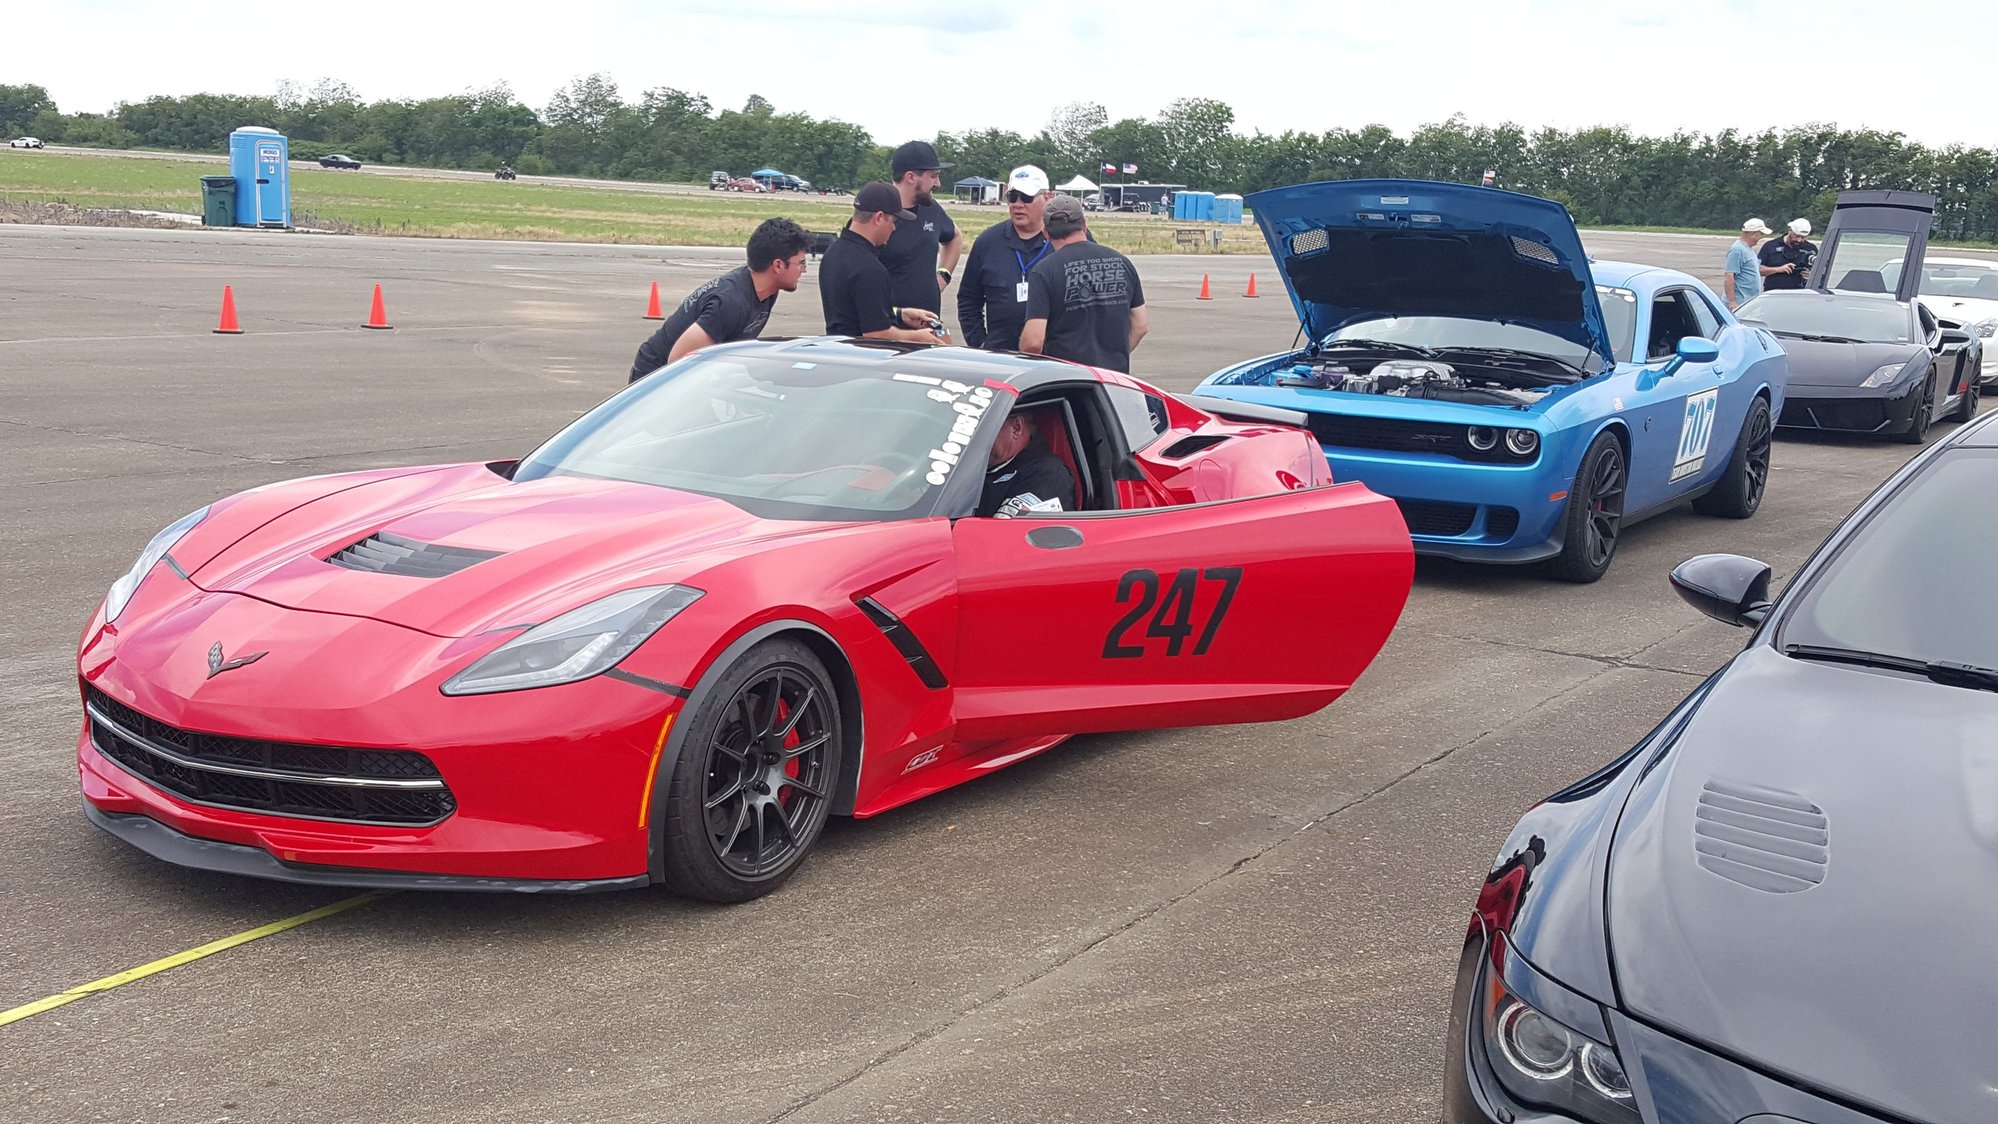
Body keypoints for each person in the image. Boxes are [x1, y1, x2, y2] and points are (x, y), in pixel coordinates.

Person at [628, 217, 811, 382]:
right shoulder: (729, 304)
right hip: (656, 376)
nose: (804, 270)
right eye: (801, 263)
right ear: (778, 265)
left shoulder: (767, 290)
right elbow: (677, 362)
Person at [1019, 195, 1149, 372]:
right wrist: (1115, 356)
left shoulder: (1044, 271)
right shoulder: (1122, 262)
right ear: (1084, 225)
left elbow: (1033, 342)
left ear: (1046, 233)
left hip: (1067, 380)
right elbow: (1140, 326)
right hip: (1113, 381)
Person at [818, 182, 955, 344]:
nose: (894, 228)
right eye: (893, 221)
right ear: (879, 218)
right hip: (861, 357)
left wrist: (901, 314)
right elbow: (877, 334)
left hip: (837, 349)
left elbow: (858, 311)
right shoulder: (869, 268)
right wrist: (919, 337)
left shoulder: (834, 252)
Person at [958, 165, 1059, 352]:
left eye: (1027, 198)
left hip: (1057, 359)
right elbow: (968, 299)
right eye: (1012, 197)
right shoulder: (987, 242)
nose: (1018, 204)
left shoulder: (1065, 239)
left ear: (1048, 198)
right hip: (1001, 357)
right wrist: (980, 343)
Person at [880, 140, 964, 318]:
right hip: (888, 331)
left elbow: (955, 237)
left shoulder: (931, 208)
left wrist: (944, 275)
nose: (938, 183)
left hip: (927, 328)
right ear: (911, 177)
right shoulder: (877, 216)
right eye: (933, 176)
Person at [978, 412, 1075, 517]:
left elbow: (1007, 529)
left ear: (1017, 427)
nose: (975, 442)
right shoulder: (972, 465)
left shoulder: (1048, 474)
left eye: (983, 431)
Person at [1723, 217, 1774, 311]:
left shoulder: (1748, 249)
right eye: (1760, 234)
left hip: (1748, 303)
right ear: (1753, 234)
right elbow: (1729, 276)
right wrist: (1732, 301)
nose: (1761, 237)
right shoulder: (1737, 250)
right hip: (1739, 303)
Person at [1759, 218, 1817, 292]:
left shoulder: (1810, 248)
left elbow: (1822, 271)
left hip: (1801, 294)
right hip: (1774, 293)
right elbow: (1758, 270)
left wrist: (1812, 275)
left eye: (1803, 237)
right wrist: (1778, 269)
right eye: (1796, 236)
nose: (1799, 240)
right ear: (1790, 231)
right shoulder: (1770, 246)